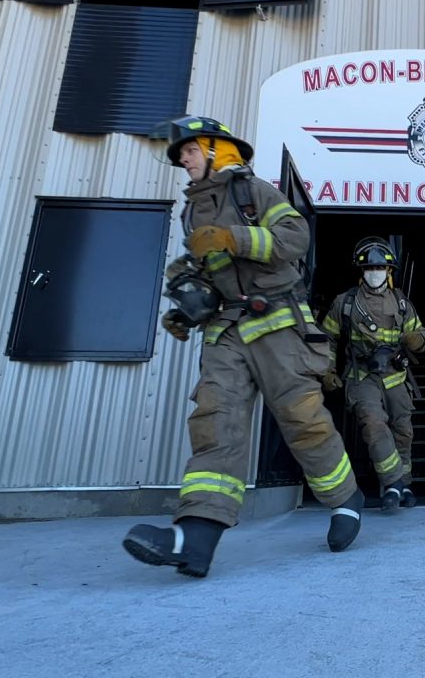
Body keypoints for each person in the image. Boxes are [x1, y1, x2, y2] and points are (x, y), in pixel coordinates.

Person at [122, 115, 364, 579]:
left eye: (190, 150)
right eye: (181, 154)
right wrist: (187, 308)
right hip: (227, 328)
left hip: (277, 324)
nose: (184, 159)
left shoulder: (253, 192)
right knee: (216, 421)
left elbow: (296, 238)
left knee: (302, 420)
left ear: (218, 150)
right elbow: (207, 272)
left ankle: (345, 497)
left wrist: (234, 237)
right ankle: (195, 538)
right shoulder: (193, 210)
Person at [320, 237, 425, 512]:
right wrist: (327, 370)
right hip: (362, 376)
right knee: (374, 425)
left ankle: (404, 485)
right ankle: (392, 484)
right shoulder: (345, 303)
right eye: (369, 268)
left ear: (389, 270)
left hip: (396, 376)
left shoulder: (401, 303)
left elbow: (422, 336)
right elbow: (326, 338)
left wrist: (417, 340)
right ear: (361, 271)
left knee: (403, 431)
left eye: (380, 267)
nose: (374, 272)